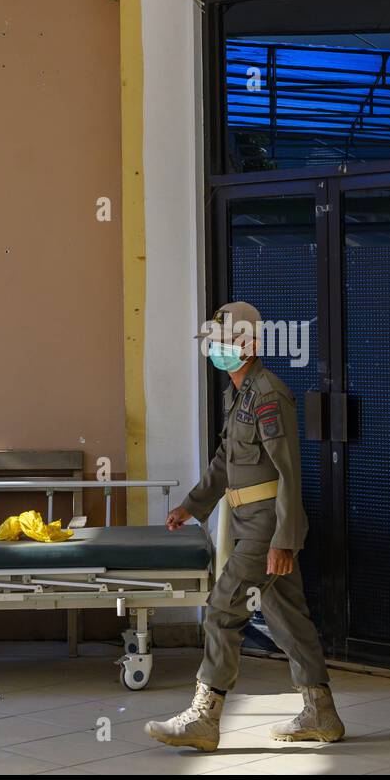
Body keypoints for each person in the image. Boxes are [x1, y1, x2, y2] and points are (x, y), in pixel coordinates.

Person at [144, 301, 344, 752]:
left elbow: (288, 471)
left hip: (267, 523)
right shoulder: (238, 394)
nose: (213, 349)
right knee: (286, 616)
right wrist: (192, 506)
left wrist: (285, 540)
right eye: (211, 343)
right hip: (244, 520)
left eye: (218, 343)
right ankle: (321, 712)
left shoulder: (269, 393)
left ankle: (205, 715)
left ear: (246, 346)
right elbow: (223, 463)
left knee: (222, 607)